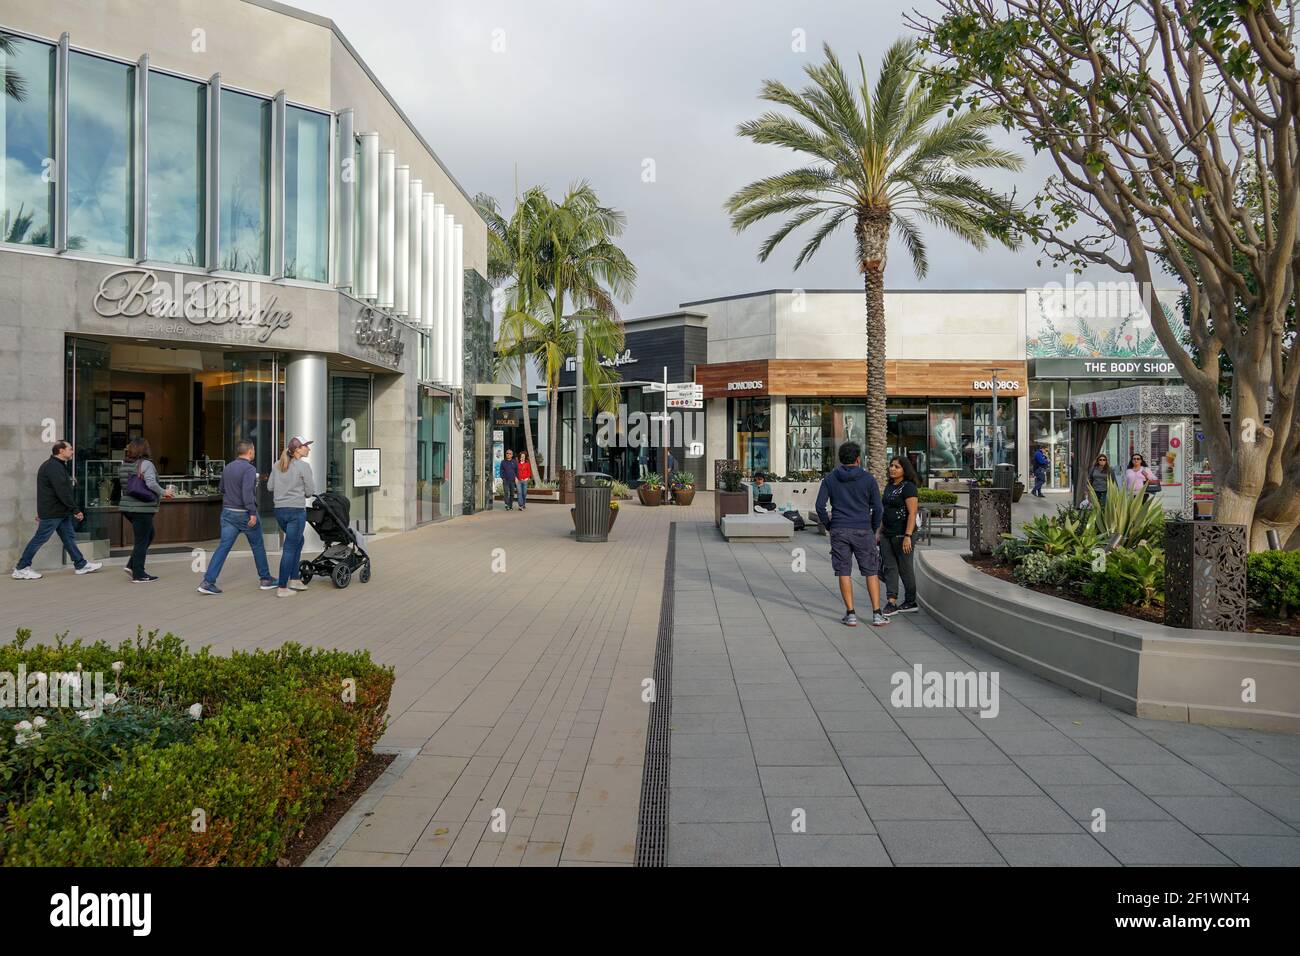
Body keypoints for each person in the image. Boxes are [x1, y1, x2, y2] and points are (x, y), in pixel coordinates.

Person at [815, 441, 888, 628]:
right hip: (863, 529)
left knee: (843, 571)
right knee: (871, 571)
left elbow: (819, 506)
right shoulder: (868, 479)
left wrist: (829, 525)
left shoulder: (830, 478)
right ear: (858, 459)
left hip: (839, 528)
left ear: (841, 459)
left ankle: (851, 614)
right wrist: (872, 528)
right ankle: (877, 614)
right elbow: (878, 508)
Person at [12, 440, 103, 580]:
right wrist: (75, 510)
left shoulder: (56, 466)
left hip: (59, 511)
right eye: (70, 449)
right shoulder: (53, 467)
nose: (72, 451)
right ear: (61, 451)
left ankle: (80, 564)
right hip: (53, 512)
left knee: (68, 538)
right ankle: (21, 568)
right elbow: (62, 492)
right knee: (40, 538)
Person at [197, 440, 274, 595]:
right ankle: (265, 579)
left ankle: (208, 581)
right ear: (250, 451)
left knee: (223, 547)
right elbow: (247, 493)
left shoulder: (228, 467)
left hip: (227, 512)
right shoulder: (250, 469)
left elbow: (222, 488)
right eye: (253, 450)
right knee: (257, 546)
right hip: (244, 513)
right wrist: (252, 512)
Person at [116, 437, 173, 582]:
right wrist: (164, 492)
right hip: (142, 508)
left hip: (127, 507)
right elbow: (151, 483)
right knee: (142, 540)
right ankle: (139, 574)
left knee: (149, 534)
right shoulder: (146, 464)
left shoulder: (124, 464)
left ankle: (131, 565)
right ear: (144, 449)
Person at [267, 436, 314, 598]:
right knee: (289, 547)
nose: (309, 449)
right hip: (296, 511)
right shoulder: (304, 467)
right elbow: (309, 492)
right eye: (306, 446)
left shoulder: (277, 465)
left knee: (298, 541)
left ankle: (294, 579)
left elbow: (270, 486)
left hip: (280, 511)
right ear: (298, 449)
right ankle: (282, 587)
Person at [880, 455, 920, 615]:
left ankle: (910, 601)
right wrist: (879, 531)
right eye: (891, 465)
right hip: (886, 533)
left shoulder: (908, 487)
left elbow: (912, 513)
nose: (892, 468)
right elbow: (886, 511)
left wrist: (908, 536)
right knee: (890, 568)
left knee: (905, 568)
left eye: (896, 466)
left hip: (903, 534)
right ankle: (891, 601)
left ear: (905, 469)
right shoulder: (889, 486)